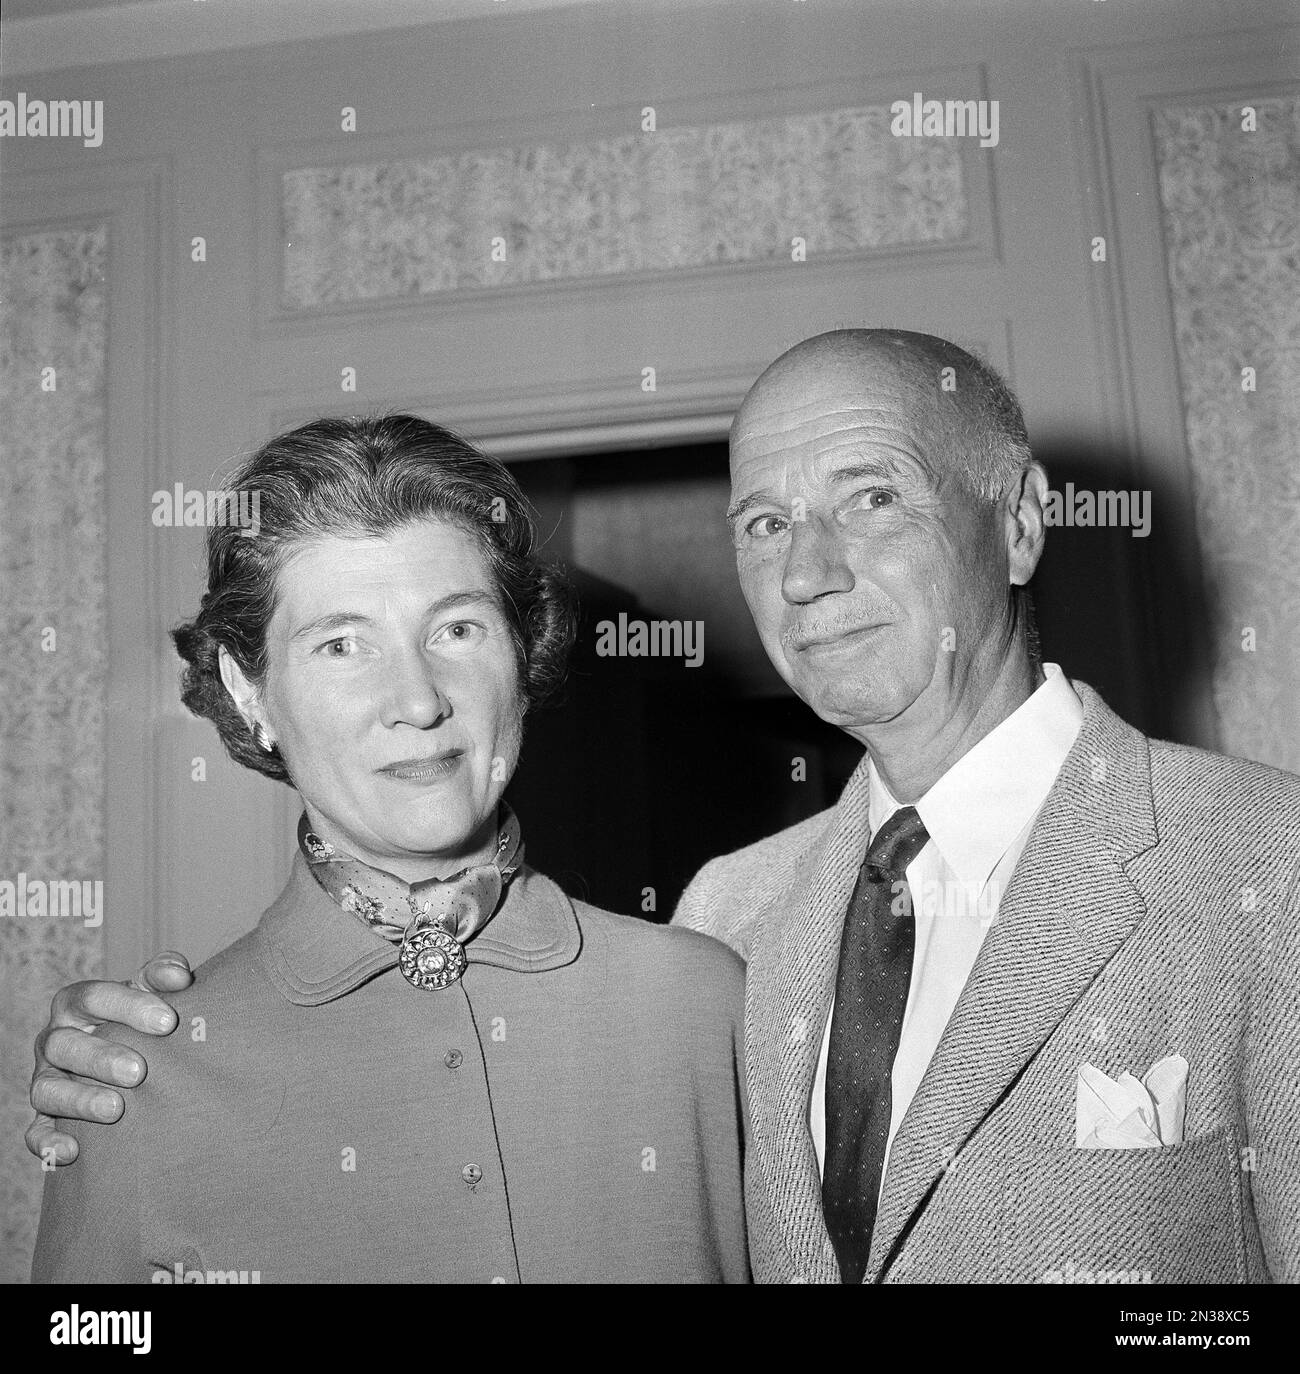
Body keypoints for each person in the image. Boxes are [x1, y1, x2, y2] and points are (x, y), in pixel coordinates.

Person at [30, 331, 1300, 1284]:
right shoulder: (735, 917)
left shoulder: (1261, 867)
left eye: (871, 496)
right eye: (341, 644)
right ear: (248, 694)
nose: (809, 572)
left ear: (1020, 523)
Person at [29, 414, 748, 1284]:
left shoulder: (707, 1007)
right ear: (246, 688)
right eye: (342, 644)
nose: (416, 700)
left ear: (523, 654)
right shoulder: (134, 1077)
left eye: (456, 629)